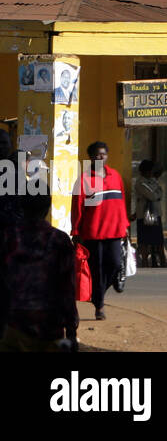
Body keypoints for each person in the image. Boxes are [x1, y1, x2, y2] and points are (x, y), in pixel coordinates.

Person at [0, 187, 79, 351]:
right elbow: (68, 289)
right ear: (48, 206)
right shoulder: (60, 240)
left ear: (21, 205)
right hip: (49, 329)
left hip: (14, 325)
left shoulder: (8, 237)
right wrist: (71, 332)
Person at [71, 142, 130, 321]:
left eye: (103, 154)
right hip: (92, 233)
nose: (100, 157)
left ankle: (97, 294)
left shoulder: (116, 176)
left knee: (114, 263)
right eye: (97, 155)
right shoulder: (84, 180)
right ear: (90, 157)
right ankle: (100, 306)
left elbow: (121, 203)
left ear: (107, 156)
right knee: (96, 270)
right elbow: (77, 208)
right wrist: (76, 231)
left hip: (115, 231)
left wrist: (125, 225)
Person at [133, 160, 167, 268]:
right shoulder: (140, 182)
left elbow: (160, 193)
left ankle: (162, 261)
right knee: (144, 241)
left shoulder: (152, 181)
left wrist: (157, 192)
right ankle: (145, 262)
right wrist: (157, 193)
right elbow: (152, 195)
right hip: (144, 215)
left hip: (156, 214)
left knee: (158, 241)